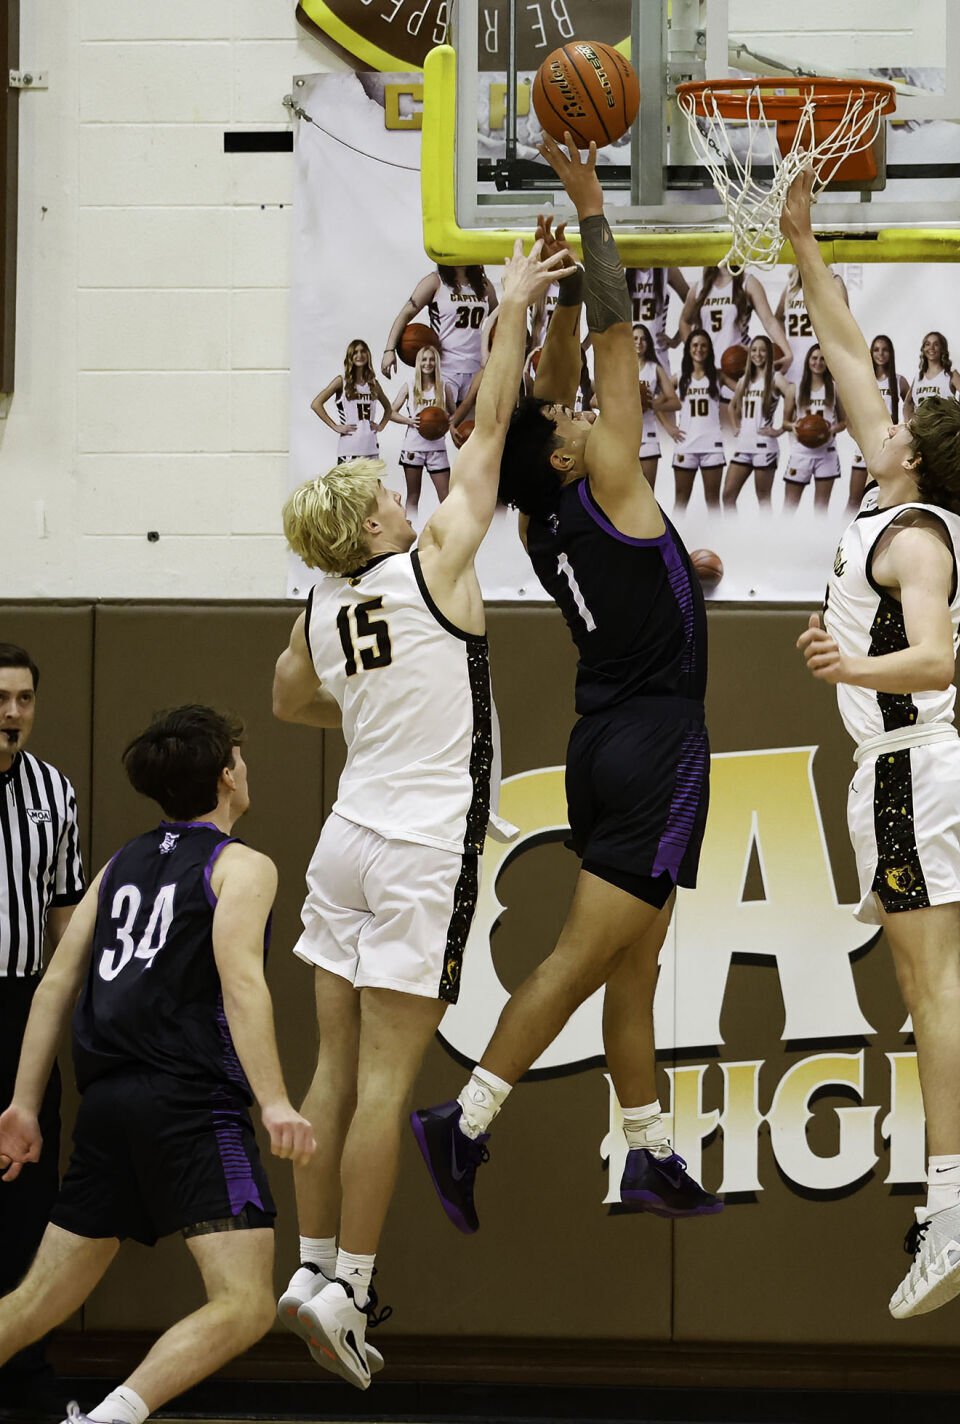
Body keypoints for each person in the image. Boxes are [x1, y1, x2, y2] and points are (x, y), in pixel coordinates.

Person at [274, 238, 568, 1389]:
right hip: (417, 845)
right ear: (379, 524)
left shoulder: (328, 602)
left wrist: (366, 695)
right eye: (391, 494)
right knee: (391, 1078)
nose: (410, 493)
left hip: (344, 837)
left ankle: (308, 1261)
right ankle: (347, 1281)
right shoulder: (432, 561)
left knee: (330, 1066)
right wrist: (506, 312)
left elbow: (288, 697)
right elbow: (488, 436)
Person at [411, 142, 720, 1240]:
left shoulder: (546, 518)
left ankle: (645, 1150)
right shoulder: (614, 480)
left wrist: (527, 317)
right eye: (583, 424)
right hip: (655, 746)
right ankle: (469, 1117)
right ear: (570, 457)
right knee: (584, 957)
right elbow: (617, 340)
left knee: (634, 958)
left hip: (605, 743)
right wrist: (591, 212)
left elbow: (548, 392)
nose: (593, 414)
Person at [781, 172, 960, 1320]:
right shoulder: (899, 499)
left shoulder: (914, 539)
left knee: (928, 987)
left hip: (908, 758)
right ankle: (957, 1186)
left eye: (899, 427)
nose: (883, 420)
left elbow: (934, 662)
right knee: (937, 985)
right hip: (910, 769)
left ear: (913, 456)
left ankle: (957, 1189)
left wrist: (843, 663)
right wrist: (801, 242)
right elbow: (844, 356)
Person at [0, 705, 313, 1424]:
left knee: (29, 1306)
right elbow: (241, 983)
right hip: (191, 1107)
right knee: (244, 1306)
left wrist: (22, 1103)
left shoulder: (121, 864)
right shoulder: (243, 866)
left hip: (108, 1107)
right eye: (242, 756)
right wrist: (272, 1102)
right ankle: (111, 1420)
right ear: (229, 775)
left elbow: (54, 985)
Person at [0, 644, 85, 1414]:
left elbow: (62, 918)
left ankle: (24, 1375)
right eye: (1, 697)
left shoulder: (53, 792)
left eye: (24, 698)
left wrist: (67, 1016)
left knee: (26, 1198)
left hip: (21, 1013)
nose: (12, 713)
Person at [380, 265, 499, 400]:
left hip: (476, 367)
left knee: (473, 421)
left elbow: (499, 318)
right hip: (443, 368)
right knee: (436, 419)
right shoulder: (435, 281)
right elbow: (406, 313)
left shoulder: (484, 284)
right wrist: (389, 350)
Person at [724, 335, 793, 511]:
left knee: (763, 499)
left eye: (762, 350)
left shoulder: (775, 377)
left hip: (765, 446)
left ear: (769, 354)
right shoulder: (744, 380)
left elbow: (793, 395)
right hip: (743, 445)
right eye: (754, 350)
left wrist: (781, 428)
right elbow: (731, 407)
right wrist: (735, 428)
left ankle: (767, 536)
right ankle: (732, 534)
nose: (758, 354)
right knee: (728, 496)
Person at [389, 341, 454, 522]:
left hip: (437, 448)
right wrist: (408, 420)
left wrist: (447, 426)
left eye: (432, 360)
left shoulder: (444, 386)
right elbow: (391, 412)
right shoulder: (410, 385)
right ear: (418, 362)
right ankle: (411, 533)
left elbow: (454, 415)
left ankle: (448, 534)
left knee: (446, 497)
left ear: (436, 362)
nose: (428, 363)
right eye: (424, 359)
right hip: (413, 448)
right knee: (413, 496)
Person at [678, 265, 789, 370]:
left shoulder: (747, 282)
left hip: (739, 362)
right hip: (708, 367)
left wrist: (787, 352)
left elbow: (769, 321)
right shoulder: (699, 287)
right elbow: (684, 321)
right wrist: (693, 353)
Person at [848, 335, 914, 509]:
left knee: (883, 497)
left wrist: (908, 427)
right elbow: (850, 412)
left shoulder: (899, 380)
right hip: (865, 440)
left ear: (890, 353)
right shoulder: (864, 380)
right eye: (876, 349)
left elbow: (910, 404)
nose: (880, 353)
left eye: (884, 349)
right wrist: (854, 433)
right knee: (854, 498)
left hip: (888, 445)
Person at [672, 328, 731, 515]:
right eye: (695, 345)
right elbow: (655, 399)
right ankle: (675, 541)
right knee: (680, 500)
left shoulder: (718, 375)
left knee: (713, 500)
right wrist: (668, 427)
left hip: (711, 444)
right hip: (686, 444)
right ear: (689, 348)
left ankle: (718, 540)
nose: (699, 349)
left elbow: (743, 389)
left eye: (704, 345)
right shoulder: (680, 376)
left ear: (709, 349)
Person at [783, 343, 846, 513]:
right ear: (808, 361)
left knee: (821, 509)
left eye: (822, 359)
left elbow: (844, 422)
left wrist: (830, 430)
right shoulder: (794, 388)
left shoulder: (834, 388)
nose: (818, 362)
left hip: (826, 454)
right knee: (789, 506)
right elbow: (785, 422)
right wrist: (795, 426)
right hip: (801, 452)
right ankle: (781, 537)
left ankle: (818, 538)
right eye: (814, 358)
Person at [311, 340, 392, 463]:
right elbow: (316, 404)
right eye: (355, 352)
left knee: (373, 483)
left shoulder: (373, 384)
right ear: (350, 357)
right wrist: (335, 426)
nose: (359, 355)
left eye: (363, 351)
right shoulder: (341, 381)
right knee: (348, 483)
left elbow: (388, 408)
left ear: (368, 355)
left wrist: (380, 426)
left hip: (371, 450)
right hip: (349, 450)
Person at [776, 264, 848, 384]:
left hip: (822, 365)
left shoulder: (833, 283)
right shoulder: (791, 287)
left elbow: (846, 326)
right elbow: (778, 318)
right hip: (795, 367)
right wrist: (784, 346)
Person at [632, 323, 682, 494]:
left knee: (647, 494)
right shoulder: (620, 368)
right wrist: (621, 404)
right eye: (635, 338)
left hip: (648, 436)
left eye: (643, 339)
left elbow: (674, 402)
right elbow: (595, 401)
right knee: (624, 494)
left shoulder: (655, 369)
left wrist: (651, 404)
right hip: (624, 436)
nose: (639, 342)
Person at [627, 267, 691, 358]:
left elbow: (694, 306)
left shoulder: (667, 270)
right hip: (628, 352)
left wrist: (676, 340)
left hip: (656, 351)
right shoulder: (623, 269)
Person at [912, 331, 960, 412]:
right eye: (927, 344)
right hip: (920, 424)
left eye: (936, 344)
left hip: (942, 425)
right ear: (923, 349)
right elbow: (907, 405)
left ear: (942, 348)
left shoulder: (950, 375)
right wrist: (909, 422)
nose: (931, 347)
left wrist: (956, 419)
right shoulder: (918, 377)